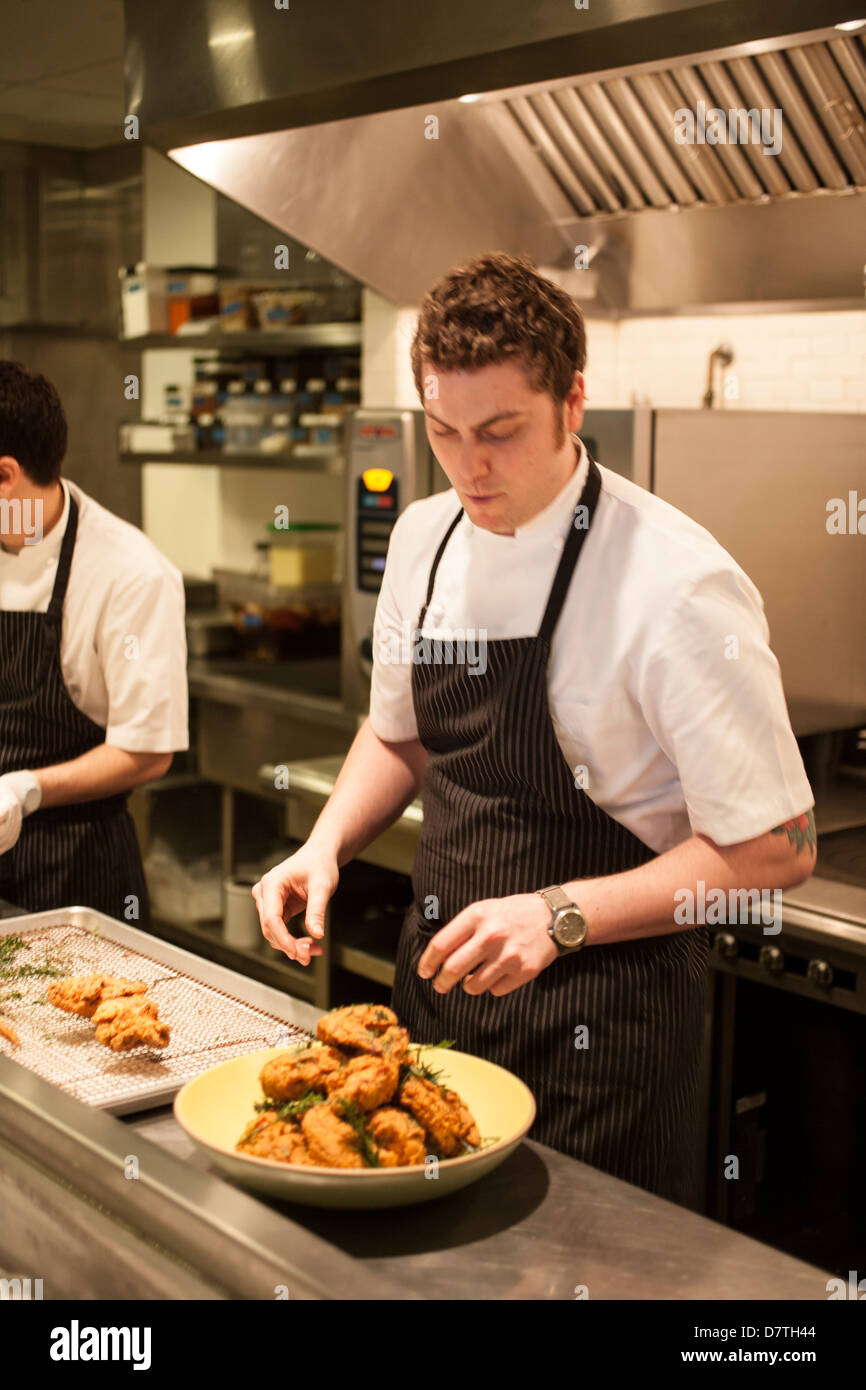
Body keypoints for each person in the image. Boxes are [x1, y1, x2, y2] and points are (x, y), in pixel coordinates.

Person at [253, 252, 816, 1204]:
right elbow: (399, 734)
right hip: (441, 995)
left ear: (573, 402)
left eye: (501, 431)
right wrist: (326, 841)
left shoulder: (676, 582)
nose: (470, 464)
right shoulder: (424, 540)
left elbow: (778, 848)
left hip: (607, 1023)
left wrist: (559, 916)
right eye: (443, 431)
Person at [0, 360, 188, 927]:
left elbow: (149, 750)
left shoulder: (128, 573)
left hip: (74, 874)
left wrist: (24, 789)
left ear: (5, 474)